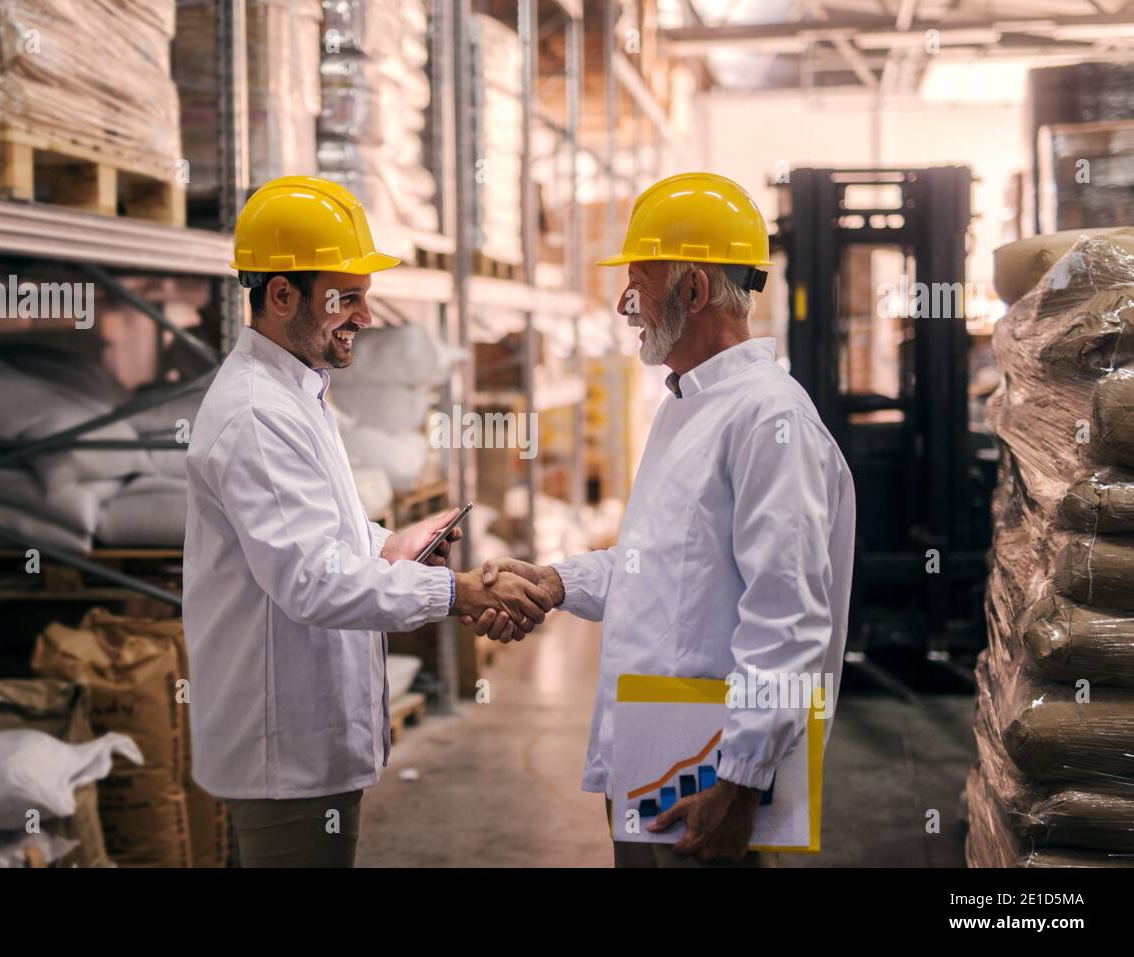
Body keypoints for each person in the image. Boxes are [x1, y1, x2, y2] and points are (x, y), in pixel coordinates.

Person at [463, 172, 856, 868]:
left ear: (695, 289)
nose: (626, 305)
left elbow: (789, 619)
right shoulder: (687, 406)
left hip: (706, 781)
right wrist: (556, 581)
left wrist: (740, 779)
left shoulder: (769, 420)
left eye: (638, 283)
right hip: (656, 764)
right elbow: (658, 566)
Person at [184, 176, 552, 867]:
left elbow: (325, 537)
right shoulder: (259, 414)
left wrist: (392, 546)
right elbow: (313, 583)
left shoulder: (299, 393)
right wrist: (459, 591)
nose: (367, 316)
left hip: (307, 743)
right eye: (345, 298)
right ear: (282, 294)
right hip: (284, 750)